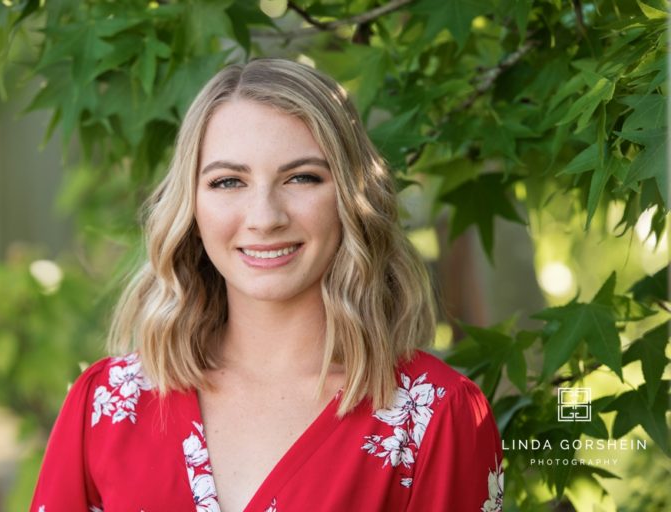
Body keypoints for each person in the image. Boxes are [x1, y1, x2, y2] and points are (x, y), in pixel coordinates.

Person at [30, 58, 503, 512]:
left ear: (351, 198)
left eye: (301, 177)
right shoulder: (108, 406)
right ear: (190, 206)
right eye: (228, 182)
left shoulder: (435, 416)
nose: (264, 218)